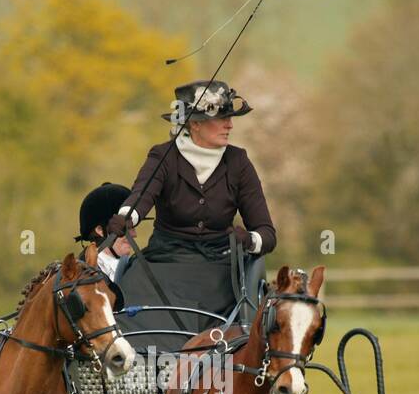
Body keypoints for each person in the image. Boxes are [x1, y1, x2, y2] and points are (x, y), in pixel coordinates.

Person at [105, 79, 275, 348]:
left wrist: (249, 241)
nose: (229, 125)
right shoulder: (163, 156)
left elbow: (267, 233)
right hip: (165, 264)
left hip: (222, 271)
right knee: (130, 301)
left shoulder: (239, 162)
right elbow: (141, 196)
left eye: (230, 118)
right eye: (221, 118)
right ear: (194, 123)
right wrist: (128, 216)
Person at [75, 182, 136, 280]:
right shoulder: (80, 278)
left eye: (132, 228)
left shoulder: (135, 270)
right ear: (100, 230)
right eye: (125, 228)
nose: (134, 234)